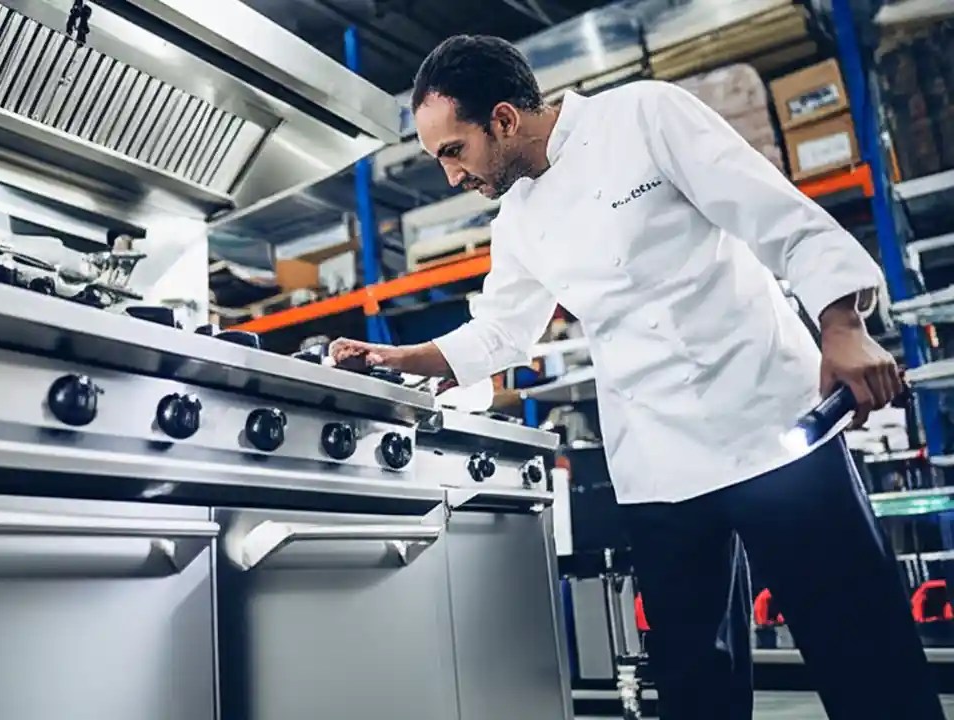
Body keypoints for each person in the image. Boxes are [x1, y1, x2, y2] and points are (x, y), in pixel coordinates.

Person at [331, 35, 943, 720]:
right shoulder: (519, 221)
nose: (451, 177)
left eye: (454, 151)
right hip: (658, 462)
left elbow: (782, 220)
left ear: (503, 119)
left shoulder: (646, 116)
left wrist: (842, 326)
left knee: (864, 654)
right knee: (692, 685)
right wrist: (402, 360)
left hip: (771, 424)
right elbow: (505, 329)